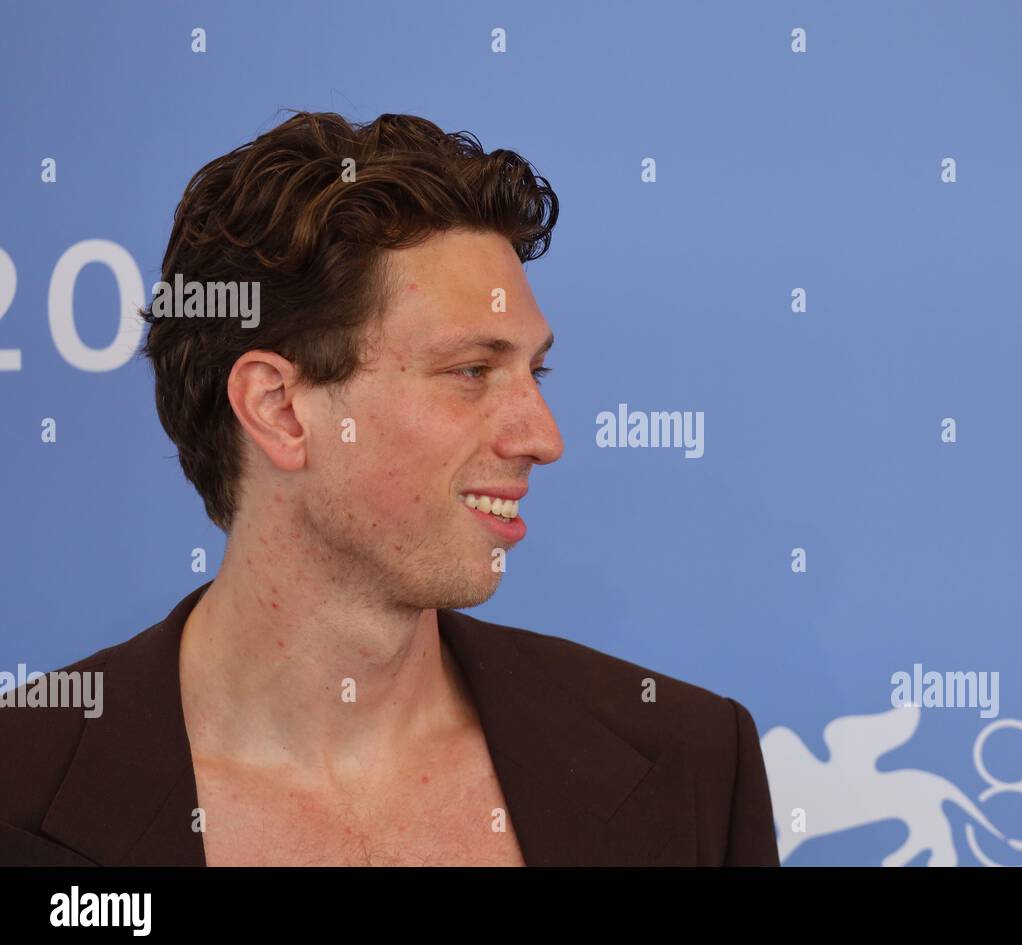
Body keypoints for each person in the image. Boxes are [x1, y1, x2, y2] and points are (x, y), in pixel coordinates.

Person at [0, 112, 779, 866]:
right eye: (471, 372)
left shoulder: (692, 765)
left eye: (534, 372)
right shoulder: (20, 789)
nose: (544, 438)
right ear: (280, 410)